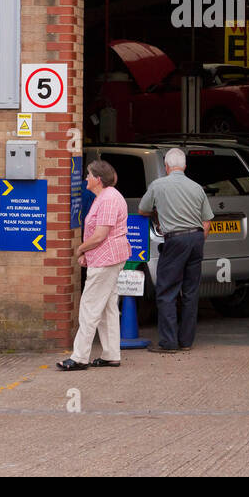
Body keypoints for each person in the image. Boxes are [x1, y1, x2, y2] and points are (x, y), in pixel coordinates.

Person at [57, 160, 131, 371]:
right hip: (108, 258)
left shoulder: (107, 199)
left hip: (106, 259)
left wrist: (80, 249)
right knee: (108, 307)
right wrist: (88, 255)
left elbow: (100, 236)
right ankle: (111, 355)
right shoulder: (108, 196)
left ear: (98, 179)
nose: (85, 179)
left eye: (88, 175)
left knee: (89, 307)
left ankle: (79, 357)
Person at [138, 147, 213, 353]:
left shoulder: (158, 185)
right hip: (196, 238)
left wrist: (158, 214)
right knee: (190, 292)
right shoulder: (197, 187)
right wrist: (196, 240)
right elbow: (207, 222)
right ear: (185, 166)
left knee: (167, 291)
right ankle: (186, 342)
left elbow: (142, 210)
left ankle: (169, 343)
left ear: (166, 166)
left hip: (175, 241)